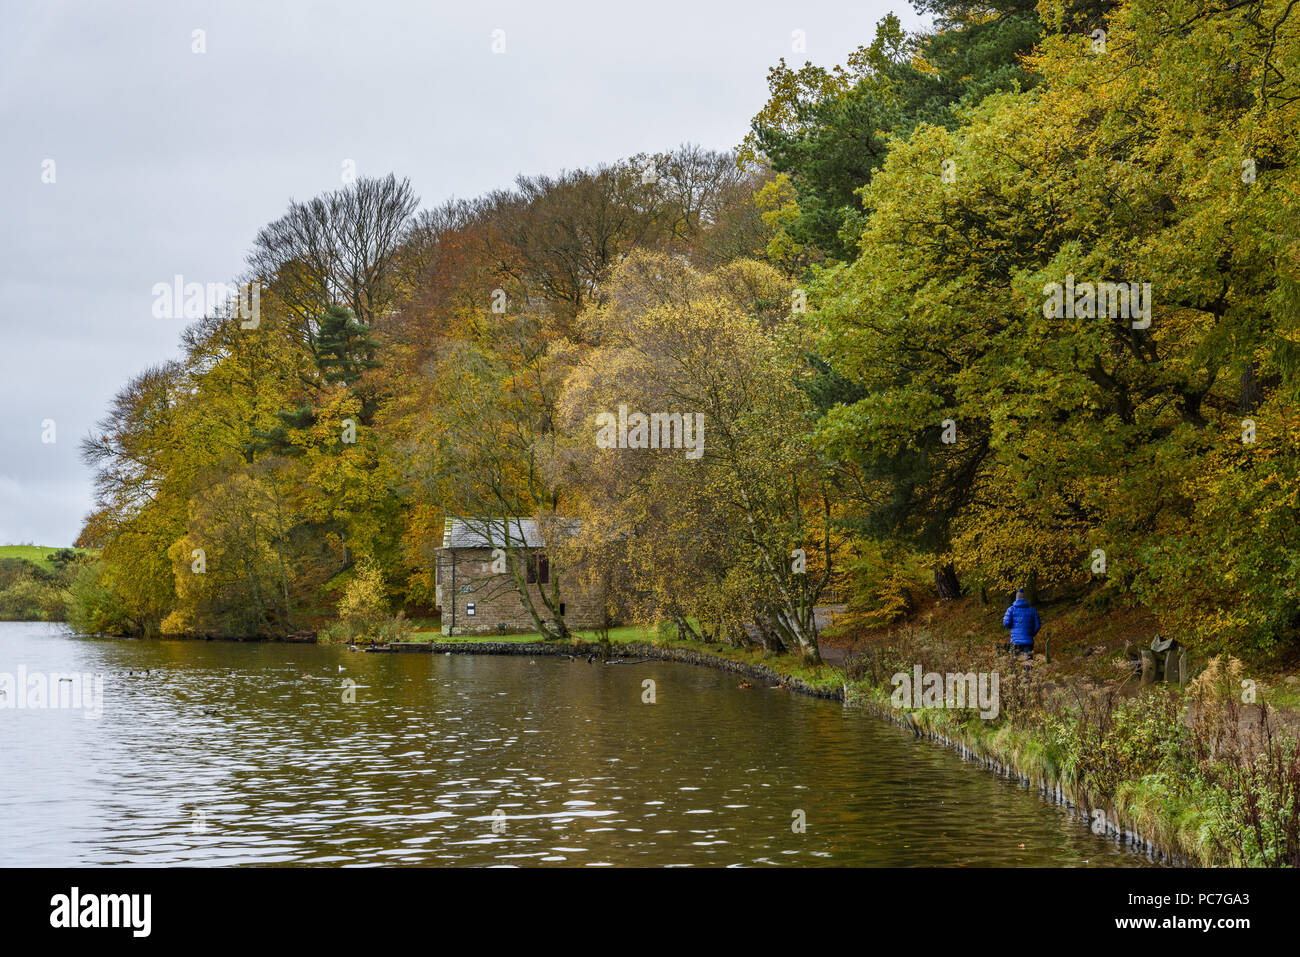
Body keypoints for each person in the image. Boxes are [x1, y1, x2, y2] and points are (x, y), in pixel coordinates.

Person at [1002, 588, 1041, 657]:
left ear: (1016, 598)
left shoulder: (1011, 609)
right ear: (1024, 599)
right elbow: (1038, 625)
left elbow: (1006, 623)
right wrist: (1031, 634)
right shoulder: (1032, 610)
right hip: (1028, 642)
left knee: (1015, 664)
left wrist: (1012, 627)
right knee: (1028, 664)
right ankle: (1027, 668)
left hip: (1015, 641)